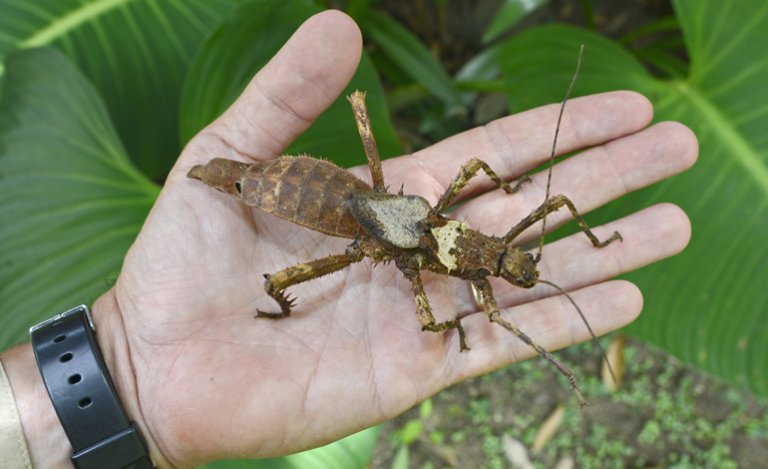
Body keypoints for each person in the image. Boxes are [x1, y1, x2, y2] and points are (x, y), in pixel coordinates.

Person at [0, 9, 696, 469]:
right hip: (334, 204)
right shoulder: (452, 272)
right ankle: (276, 285)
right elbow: (435, 307)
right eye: (516, 259)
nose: (515, 261)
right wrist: (123, 362)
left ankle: (277, 289)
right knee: (306, 267)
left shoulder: (454, 242)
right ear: (480, 257)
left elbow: (485, 198)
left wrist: (124, 372)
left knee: (387, 230)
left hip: (365, 206)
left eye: (515, 261)